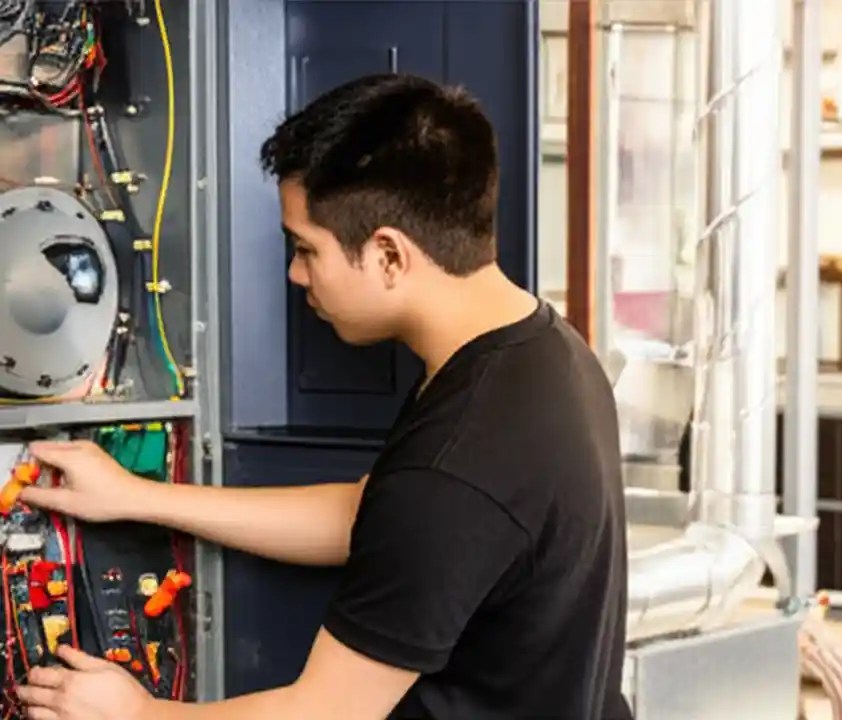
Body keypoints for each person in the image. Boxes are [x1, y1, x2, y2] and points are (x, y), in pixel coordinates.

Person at [15, 74, 631, 720]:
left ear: (389, 255)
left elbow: (326, 712)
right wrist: (136, 497)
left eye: (307, 249)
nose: (295, 273)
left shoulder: (455, 465)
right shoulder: (543, 352)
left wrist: (139, 715)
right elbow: (369, 516)